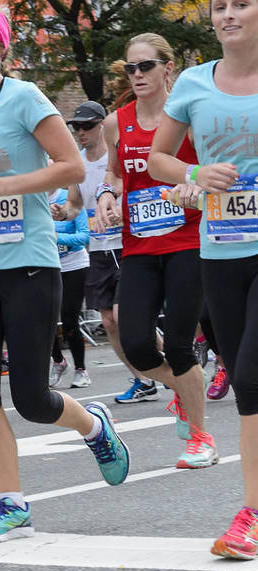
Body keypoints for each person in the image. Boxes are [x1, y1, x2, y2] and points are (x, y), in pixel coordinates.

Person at [0, 0, 130, 544]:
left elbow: (72, 167)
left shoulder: (25, 98)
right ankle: (12, 503)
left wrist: (4, 186)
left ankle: (93, 424)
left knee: (34, 399)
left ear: (1, 46)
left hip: (31, 264)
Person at [148, 0, 258, 558]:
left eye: (242, 4)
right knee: (248, 387)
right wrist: (194, 176)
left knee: (254, 376)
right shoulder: (192, 82)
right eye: (220, 6)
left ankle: (251, 514)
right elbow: (159, 160)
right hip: (222, 247)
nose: (228, 15)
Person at [94, 33, 215, 469]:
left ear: (168, 69)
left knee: (181, 345)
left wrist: (193, 186)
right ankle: (185, 394)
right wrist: (106, 197)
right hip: (139, 247)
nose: (138, 75)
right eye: (131, 68)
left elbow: (207, 173)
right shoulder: (116, 123)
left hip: (186, 242)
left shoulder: (187, 118)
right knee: (137, 344)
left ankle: (201, 438)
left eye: (146, 66)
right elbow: (115, 174)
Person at [53, 101, 155, 401]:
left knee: (126, 317)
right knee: (109, 321)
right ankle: (143, 380)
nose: (81, 132)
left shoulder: (116, 159)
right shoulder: (78, 164)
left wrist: (120, 211)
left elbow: (138, 191)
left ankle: (175, 363)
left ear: (102, 126)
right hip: (98, 250)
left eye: (87, 126)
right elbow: (74, 204)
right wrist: (64, 213)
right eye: (76, 127)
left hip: (126, 244)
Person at [48, 187, 91, 388]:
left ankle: (81, 370)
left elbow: (84, 236)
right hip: (47, 264)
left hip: (74, 264)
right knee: (43, 319)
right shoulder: (32, 198)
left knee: (68, 318)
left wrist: (57, 238)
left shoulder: (68, 198)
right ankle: (58, 361)